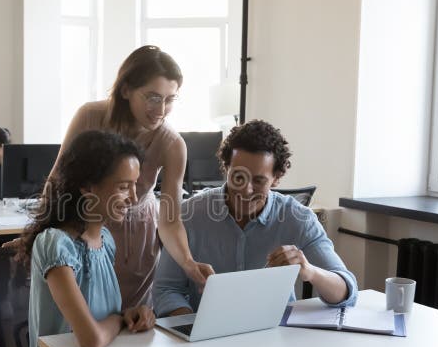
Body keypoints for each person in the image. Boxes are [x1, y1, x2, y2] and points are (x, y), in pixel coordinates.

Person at [18, 130, 169, 347]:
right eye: (122, 186)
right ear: (86, 186)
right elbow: (92, 339)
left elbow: (103, 321)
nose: (133, 197)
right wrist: (118, 318)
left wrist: (130, 314)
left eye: (135, 185)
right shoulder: (55, 243)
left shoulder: (106, 242)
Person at [48, 45, 213, 308]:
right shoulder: (89, 116)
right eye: (152, 97)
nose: (161, 109)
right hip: (79, 228)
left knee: (126, 321)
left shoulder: (172, 144)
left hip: (133, 241)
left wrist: (188, 263)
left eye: (170, 99)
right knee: (76, 319)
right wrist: (35, 235)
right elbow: (56, 181)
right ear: (126, 90)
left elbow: (169, 220)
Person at [153, 120, 358, 317]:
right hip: (206, 341)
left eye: (259, 181)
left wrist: (310, 272)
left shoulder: (298, 219)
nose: (246, 190)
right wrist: (190, 327)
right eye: (238, 177)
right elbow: (166, 290)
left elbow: (347, 291)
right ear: (226, 168)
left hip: (277, 336)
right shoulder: (189, 215)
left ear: (276, 178)